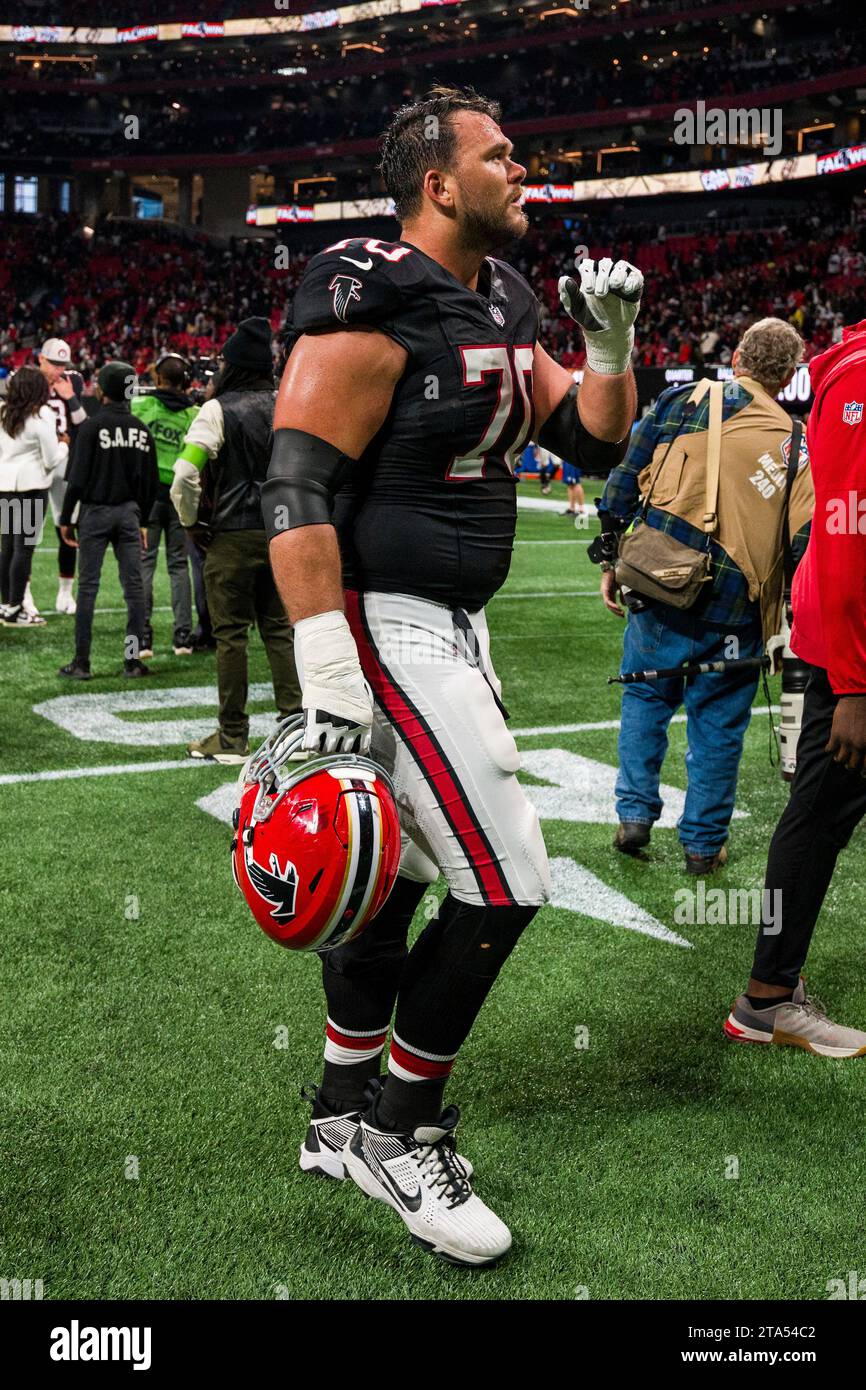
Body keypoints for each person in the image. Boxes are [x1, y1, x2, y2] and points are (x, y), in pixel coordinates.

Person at [263, 85, 640, 1266]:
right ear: (439, 182)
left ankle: (337, 1107)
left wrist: (611, 349)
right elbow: (295, 485)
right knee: (506, 876)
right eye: (500, 156)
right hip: (383, 622)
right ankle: (399, 1130)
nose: (520, 171)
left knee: (394, 875)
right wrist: (328, 666)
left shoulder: (495, 298)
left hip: (451, 628)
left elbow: (587, 438)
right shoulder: (366, 285)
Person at [597, 318, 814, 873]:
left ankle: (635, 816)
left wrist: (610, 556)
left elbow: (623, 479)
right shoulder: (795, 441)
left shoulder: (683, 397)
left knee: (645, 701)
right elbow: (801, 540)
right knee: (718, 727)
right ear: (789, 376)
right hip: (738, 611)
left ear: (737, 355)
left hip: (659, 585)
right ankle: (701, 845)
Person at [724, 318, 866, 1057]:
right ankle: (767, 998)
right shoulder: (858, 375)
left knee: (817, 821)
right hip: (853, 662)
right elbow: (843, 529)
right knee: (814, 822)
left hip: (845, 652)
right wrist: (852, 684)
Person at [170, 317, 301, 763]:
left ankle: (232, 736)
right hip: (283, 531)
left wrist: (189, 520)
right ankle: (296, 730)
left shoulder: (218, 409)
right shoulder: (290, 402)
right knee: (280, 631)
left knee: (231, 637)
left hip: (231, 533)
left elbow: (186, 471)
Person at [57, 362, 158, 680]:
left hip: (95, 513)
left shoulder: (89, 428)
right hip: (129, 513)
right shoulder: (141, 429)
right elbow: (150, 484)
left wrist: (65, 518)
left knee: (87, 589)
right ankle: (132, 661)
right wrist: (142, 519)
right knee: (134, 590)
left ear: (100, 390)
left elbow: (75, 480)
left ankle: (82, 662)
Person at [130, 354, 199, 657]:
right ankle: (182, 637)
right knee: (178, 566)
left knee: (144, 563)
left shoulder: (141, 406)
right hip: (179, 495)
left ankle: (143, 639)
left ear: (158, 379)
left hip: (145, 497)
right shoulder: (195, 414)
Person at [0, 366, 68, 627]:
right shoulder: (42, 414)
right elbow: (51, 459)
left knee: (7, 546)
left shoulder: (3, 411)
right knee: (23, 549)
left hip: (6, 486)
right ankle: (16, 609)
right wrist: (64, 444)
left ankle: (7, 604)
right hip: (30, 487)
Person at [38, 337, 86, 617]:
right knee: (23, 532)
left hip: (65, 463)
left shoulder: (73, 381)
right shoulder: (27, 380)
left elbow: (83, 424)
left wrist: (70, 396)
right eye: (53, 363)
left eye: (62, 364)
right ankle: (22, 595)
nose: (58, 370)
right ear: (41, 359)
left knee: (67, 528)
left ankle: (65, 594)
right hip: (35, 466)